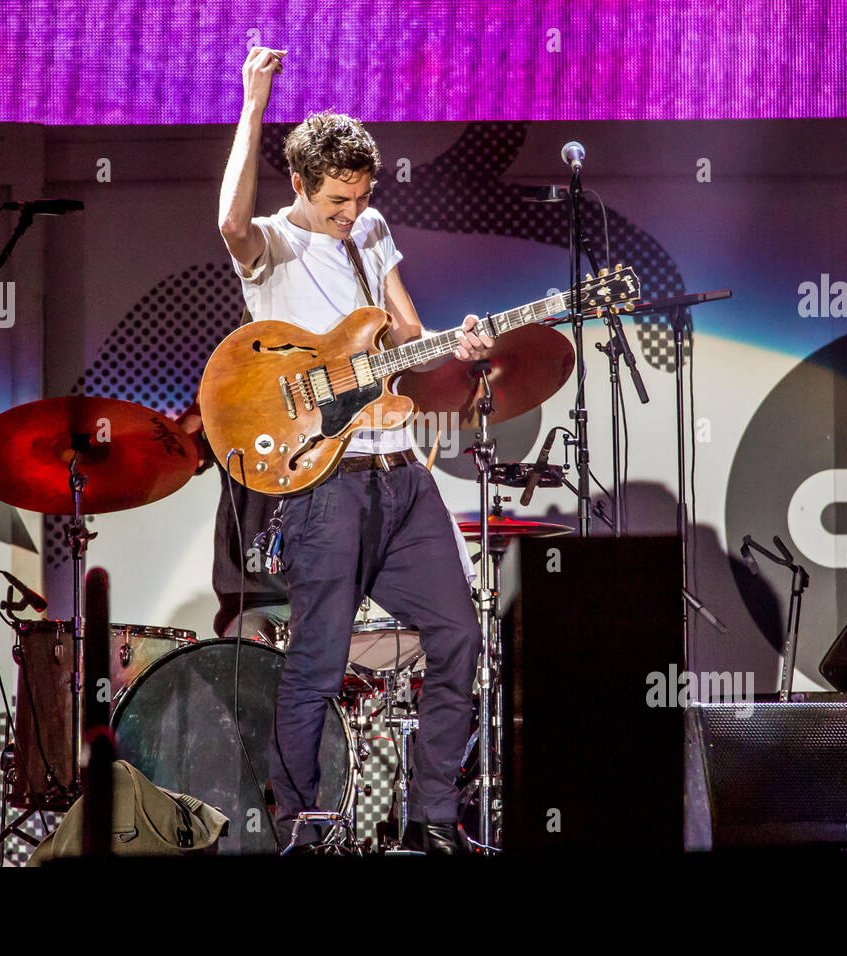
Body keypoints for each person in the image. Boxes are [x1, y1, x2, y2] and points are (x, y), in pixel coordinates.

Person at [214, 46, 491, 854]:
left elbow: (404, 333)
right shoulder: (269, 246)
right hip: (324, 487)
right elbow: (230, 222)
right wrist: (254, 101)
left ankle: (434, 817)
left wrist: (457, 344)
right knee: (318, 662)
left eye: (361, 196)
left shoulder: (370, 229)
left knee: (458, 638)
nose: (350, 211)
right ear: (299, 184)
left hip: (400, 474)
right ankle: (301, 823)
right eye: (338, 199)